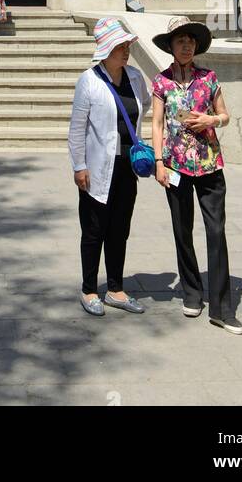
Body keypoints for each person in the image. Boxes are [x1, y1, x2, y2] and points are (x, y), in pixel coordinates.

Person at [151, 15, 242, 335]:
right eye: (180, 41)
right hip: (175, 165)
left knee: (216, 231)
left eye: (190, 40)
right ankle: (191, 292)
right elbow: (157, 124)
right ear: (171, 47)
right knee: (182, 229)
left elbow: (225, 116)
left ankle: (221, 307)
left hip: (209, 163)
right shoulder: (161, 82)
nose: (186, 45)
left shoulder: (209, 78)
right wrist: (159, 161)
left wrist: (210, 120)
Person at [68, 16, 151, 317]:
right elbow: (77, 129)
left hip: (128, 166)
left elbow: (144, 105)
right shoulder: (88, 81)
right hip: (97, 167)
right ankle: (90, 289)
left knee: (120, 229)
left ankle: (116, 288)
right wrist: (79, 165)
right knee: (93, 230)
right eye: (120, 47)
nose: (126, 51)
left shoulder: (136, 77)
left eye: (127, 46)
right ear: (106, 49)